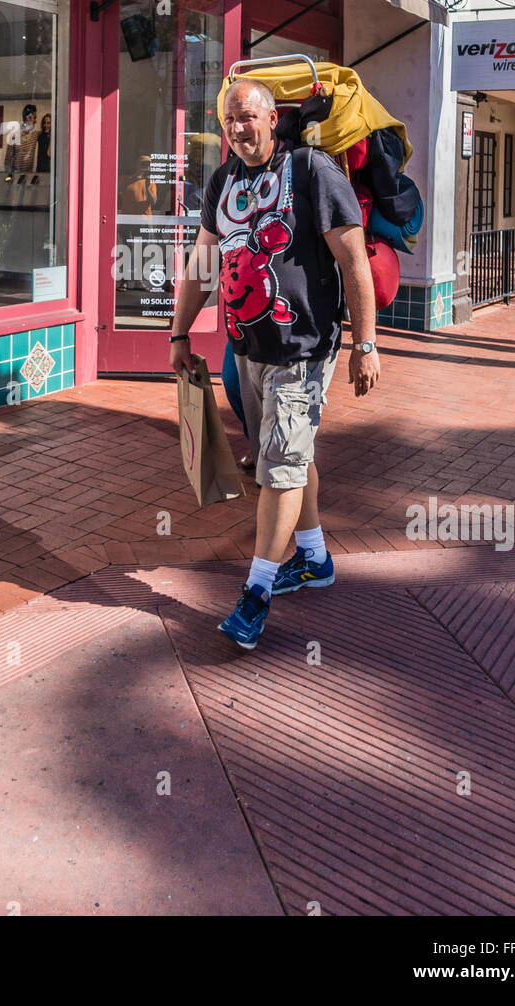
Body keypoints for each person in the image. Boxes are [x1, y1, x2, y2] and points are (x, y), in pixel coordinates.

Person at [169, 79, 380, 651]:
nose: (240, 127)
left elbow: (354, 259)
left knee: (279, 467)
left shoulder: (311, 169)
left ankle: (256, 593)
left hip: (305, 348)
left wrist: (366, 344)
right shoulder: (223, 180)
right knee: (287, 457)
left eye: (250, 116)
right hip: (247, 351)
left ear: (270, 117)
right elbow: (202, 263)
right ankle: (313, 559)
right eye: (230, 119)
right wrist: (179, 332)